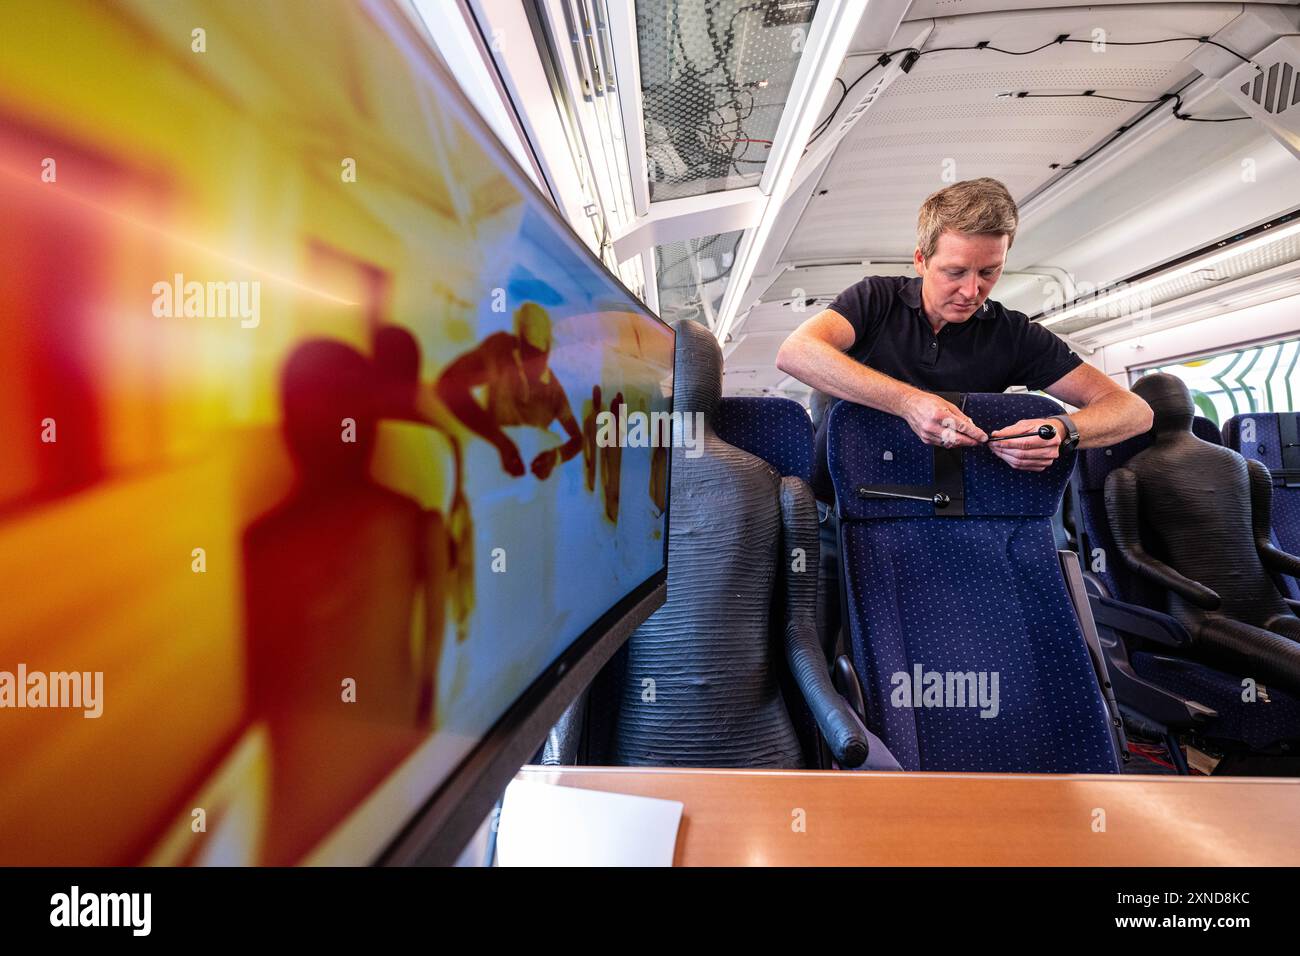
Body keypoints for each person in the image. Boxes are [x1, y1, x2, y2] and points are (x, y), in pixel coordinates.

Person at [775, 177, 1152, 503]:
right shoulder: (875, 300)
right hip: (841, 500)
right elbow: (797, 352)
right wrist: (909, 402)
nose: (972, 290)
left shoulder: (1013, 334)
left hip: (950, 508)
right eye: (954, 272)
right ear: (921, 261)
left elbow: (1134, 411)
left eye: (990, 271)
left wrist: (1062, 430)